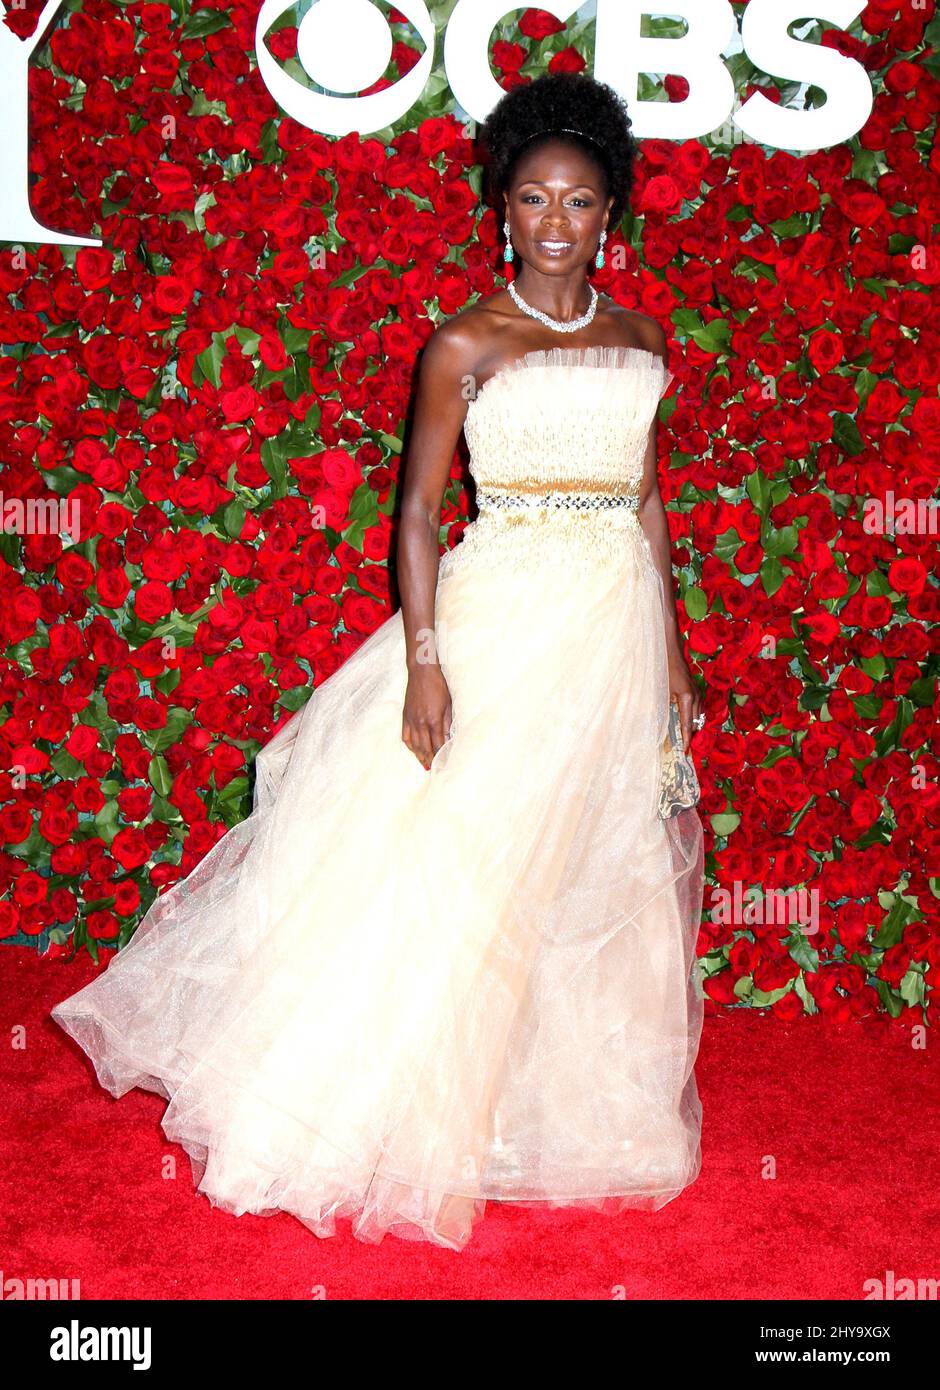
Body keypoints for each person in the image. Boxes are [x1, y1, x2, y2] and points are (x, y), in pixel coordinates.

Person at [51, 72, 707, 1253]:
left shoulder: (641, 340)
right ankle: (373, 1113)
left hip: (609, 629)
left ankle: (530, 1113)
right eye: (530, 200)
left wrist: (670, 650)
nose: (554, 221)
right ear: (499, 209)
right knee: (458, 870)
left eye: (578, 201)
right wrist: (422, 659)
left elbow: (648, 498)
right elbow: (413, 514)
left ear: (612, 213)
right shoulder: (464, 339)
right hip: (499, 619)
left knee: (586, 867)